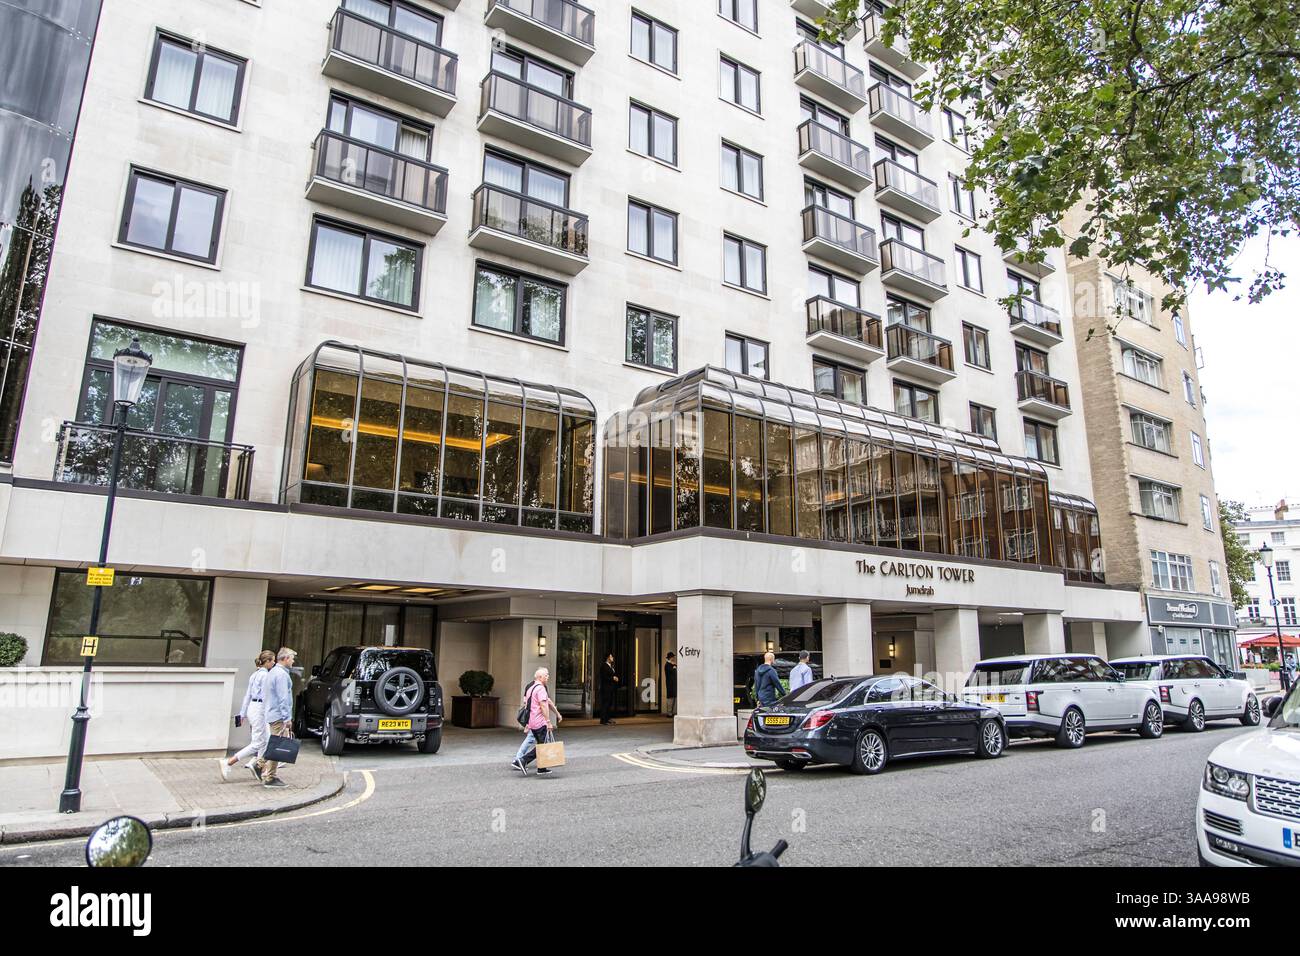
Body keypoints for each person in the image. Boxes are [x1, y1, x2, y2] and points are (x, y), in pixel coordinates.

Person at [220, 650, 275, 781]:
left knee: (267, 739)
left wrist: (242, 713)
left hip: (253, 707)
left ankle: (257, 765)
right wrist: (270, 713)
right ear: (267, 662)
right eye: (272, 660)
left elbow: (247, 696)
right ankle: (229, 762)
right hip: (260, 709)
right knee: (258, 742)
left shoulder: (254, 675)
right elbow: (266, 696)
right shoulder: (266, 676)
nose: (274, 663)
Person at [254, 647, 296, 788]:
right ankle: (267, 774)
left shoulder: (273, 672)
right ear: (284, 659)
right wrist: (287, 718)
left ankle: (264, 770)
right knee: (277, 745)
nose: (293, 661)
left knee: (276, 744)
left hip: (273, 713)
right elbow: (283, 698)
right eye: (291, 658)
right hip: (279, 715)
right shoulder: (281, 675)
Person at [511, 667, 562, 776]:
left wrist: (528, 724)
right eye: (546, 675)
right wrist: (548, 721)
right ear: (540, 677)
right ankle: (523, 760)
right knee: (543, 746)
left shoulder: (531, 688)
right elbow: (543, 705)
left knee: (541, 743)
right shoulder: (541, 689)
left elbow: (527, 706)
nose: (548, 677)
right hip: (540, 722)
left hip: (532, 722)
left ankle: (541, 769)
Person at [598, 652, 620, 725]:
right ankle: (603, 720)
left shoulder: (611, 666)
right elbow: (604, 677)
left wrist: (615, 678)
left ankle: (608, 718)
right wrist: (613, 678)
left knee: (609, 704)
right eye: (611, 657)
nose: (612, 658)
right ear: (608, 658)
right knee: (605, 704)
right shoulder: (604, 666)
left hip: (610, 688)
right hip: (605, 688)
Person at [663, 652, 677, 717]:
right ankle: (669, 713)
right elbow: (672, 671)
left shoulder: (671, 664)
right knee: (670, 698)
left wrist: (674, 665)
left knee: (673, 698)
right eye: (673, 657)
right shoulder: (667, 665)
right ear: (670, 657)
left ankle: (671, 712)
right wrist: (674, 666)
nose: (674, 658)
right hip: (670, 684)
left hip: (674, 684)